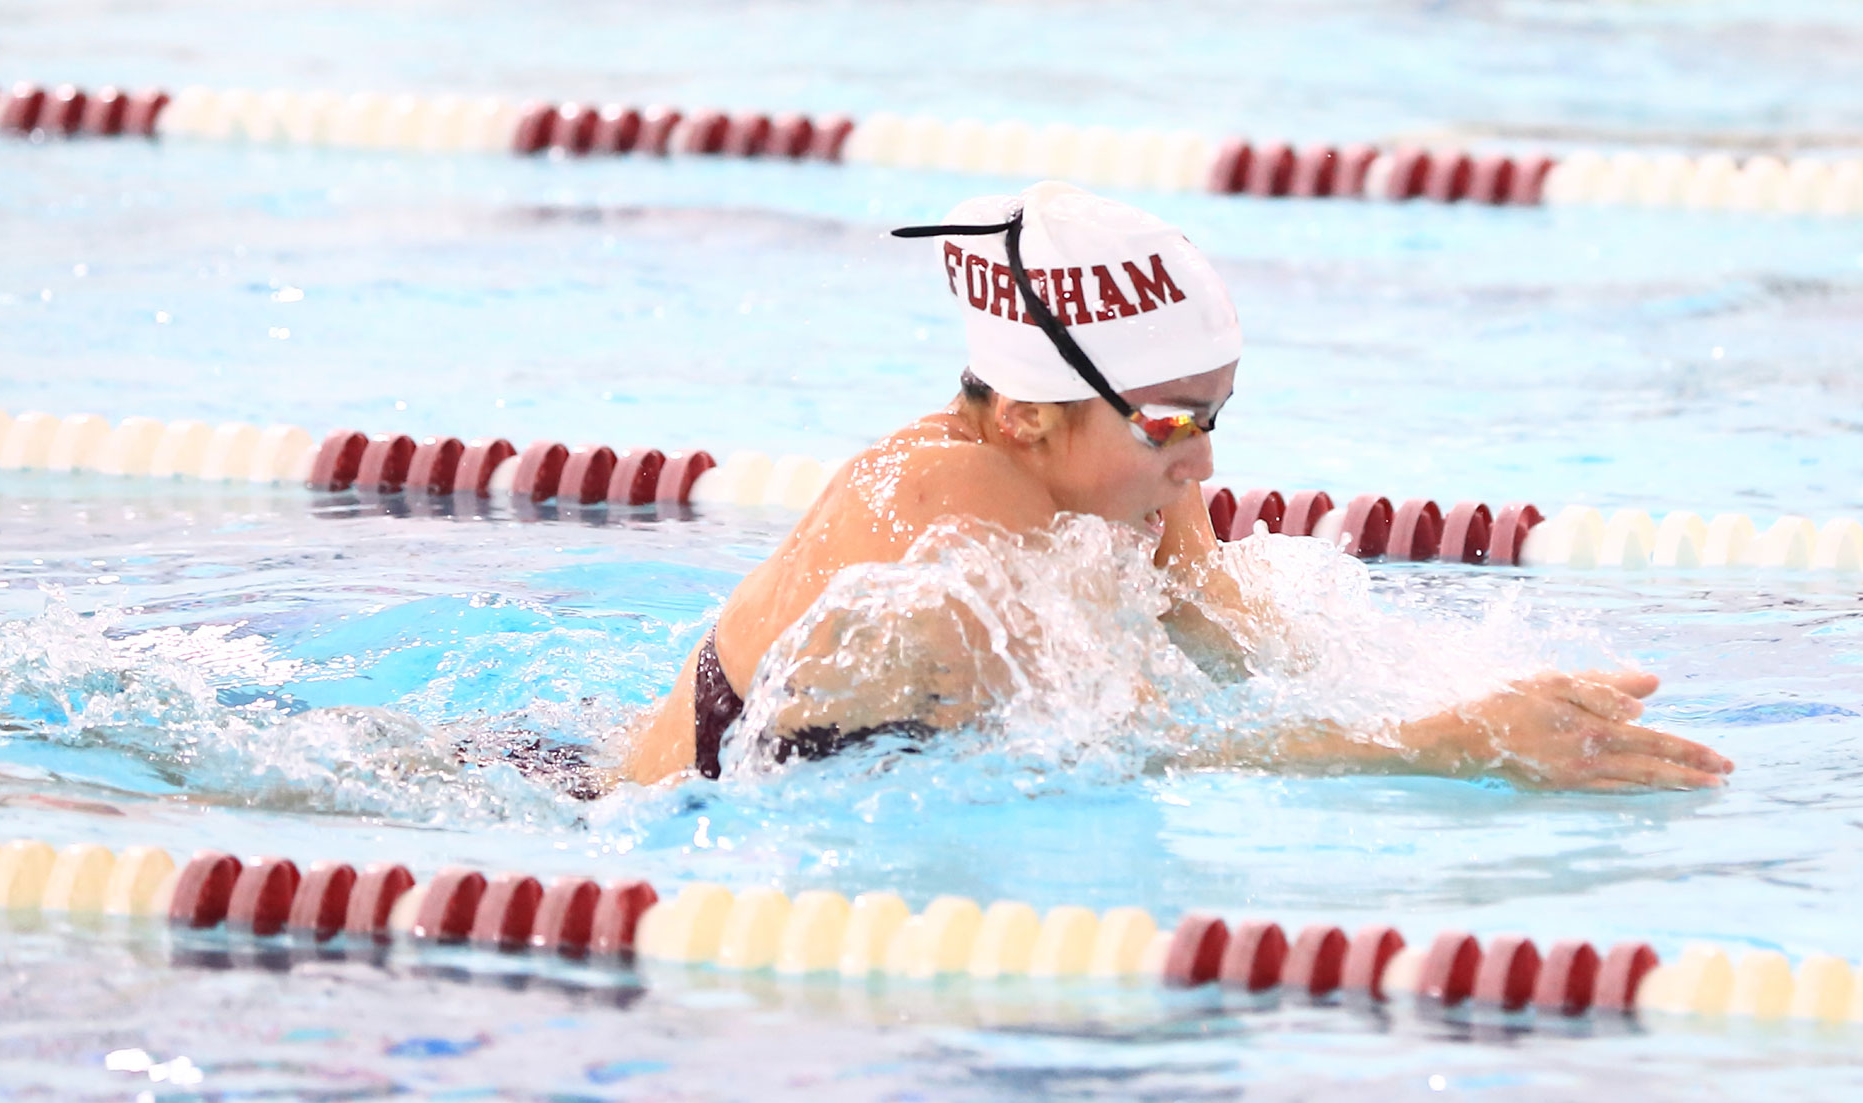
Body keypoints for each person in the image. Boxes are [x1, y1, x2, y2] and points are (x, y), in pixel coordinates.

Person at [618, 181, 1733, 792]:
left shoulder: (1133, 489)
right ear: (1023, 414)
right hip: (643, 817)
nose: (1201, 460)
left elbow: (1260, 665)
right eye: (1168, 422)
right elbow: (1131, 740)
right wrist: (1443, 748)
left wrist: (1492, 695)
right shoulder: (942, 500)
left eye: (1215, 415)